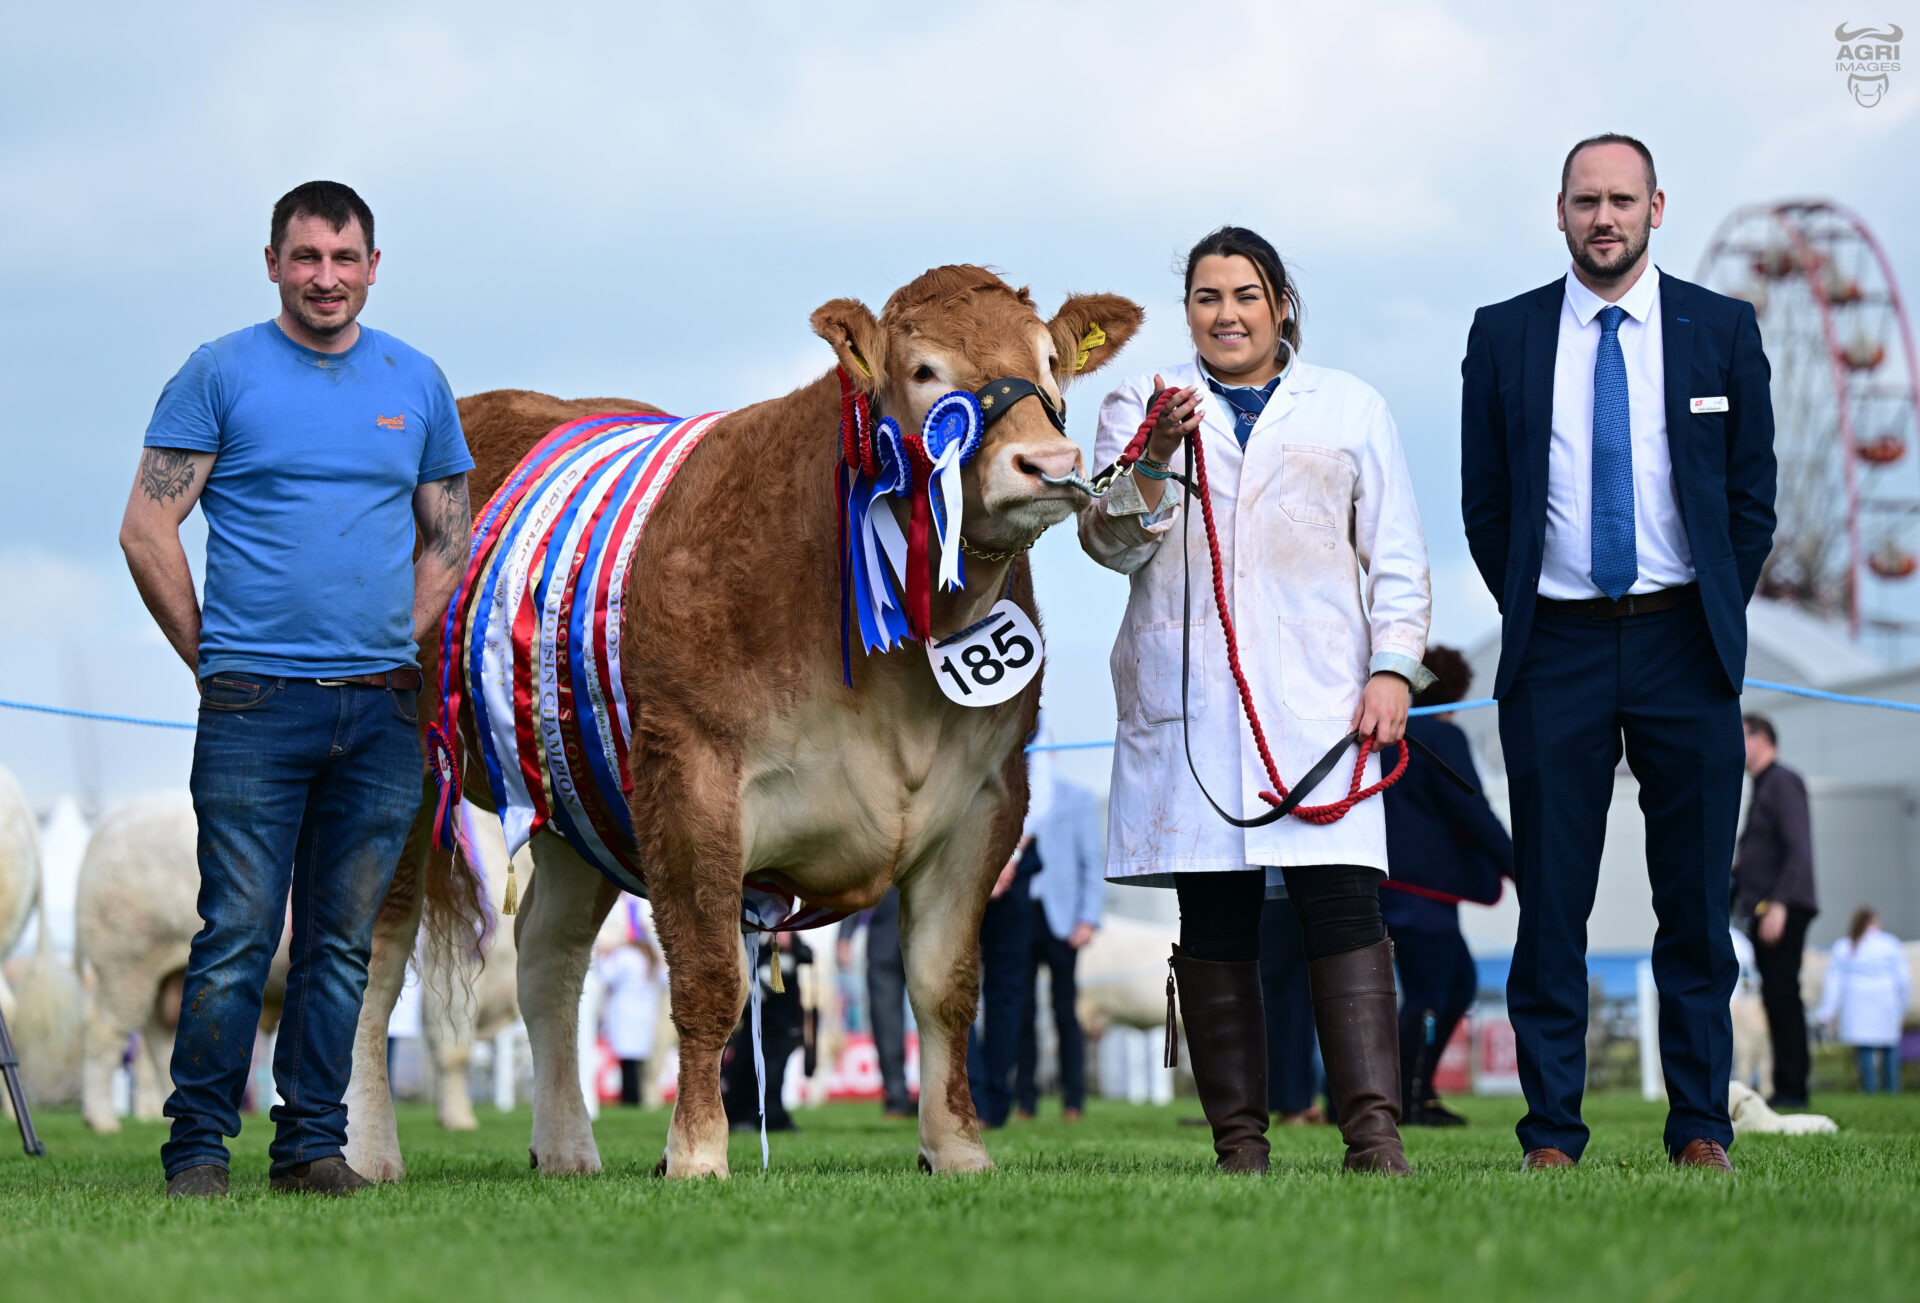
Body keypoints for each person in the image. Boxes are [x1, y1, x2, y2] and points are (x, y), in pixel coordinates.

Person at [120, 180, 474, 1199]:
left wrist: (388, 642)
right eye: (307, 256)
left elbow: (447, 540)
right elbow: (148, 529)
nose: (327, 276)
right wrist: (212, 655)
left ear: (373, 266)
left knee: (340, 940)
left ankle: (313, 1145)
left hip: (379, 711)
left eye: (345, 257)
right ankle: (196, 1149)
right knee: (235, 933)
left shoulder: (417, 381)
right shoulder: (218, 373)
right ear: (274, 262)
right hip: (251, 707)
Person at [1082, 225, 1435, 1175]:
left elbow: (1395, 552)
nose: (1226, 314)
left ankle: (1375, 1137)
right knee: (1217, 918)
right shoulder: (1141, 402)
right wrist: (1154, 455)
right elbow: (1109, 541)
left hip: (1325, 701)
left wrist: (1394, 668)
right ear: (1187, 310)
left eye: (1246, 295)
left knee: (1344, 907)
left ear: (1281, 304)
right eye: (1207, 297)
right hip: (1194, 702)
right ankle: (1239, 1144)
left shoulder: (1350, 406)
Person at [1460, 134, 1777, 1172]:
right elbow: (1486, 502)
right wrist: (1534, 601)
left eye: (1623, 200)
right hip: (1554, 647)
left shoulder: (1722, 330)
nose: (1605, 217)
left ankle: (1699, 1126)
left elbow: (1750, 499)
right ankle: (1552, 1133)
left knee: (1694, 900)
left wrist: (1711, 606)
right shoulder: (1502, 336)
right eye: (1587, 200)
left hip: (1687, 644)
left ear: (1658, 207)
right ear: (1559, 211)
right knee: (1553, 900)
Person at [1381, 646, 1511, 1126]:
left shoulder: (1383, 732)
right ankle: (1408, 1101)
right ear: (1456, 690)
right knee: (1430, 995)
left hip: (1389, 885)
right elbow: (1471, 809)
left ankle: (1413, 1092)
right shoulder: (1442, 735)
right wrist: (1519, 866)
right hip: (1422, 894)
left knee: (1455, 985)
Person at [1014, 738, 1105, 1122]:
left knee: (1066, 1011)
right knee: (1021, 1010)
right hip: (1019, 915)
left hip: (1063, 919)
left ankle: (1073, 1100)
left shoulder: (1077, 798)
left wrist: (1088, 918)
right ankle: (1027, 1101)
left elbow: (1091, 860)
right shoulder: (1010, 797)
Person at [1731, 714, 1819, 1109]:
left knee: (1784, 997)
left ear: (1760, 738)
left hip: (1780, 909)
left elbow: (1798, 847)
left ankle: (1792, 1090)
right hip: (1764, 909)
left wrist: (1780, 904)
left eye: (1740, 736)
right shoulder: (1763, 786)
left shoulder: (1783, 781)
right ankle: (1786, 1085)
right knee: (1776, 997)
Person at [968, 833, 1039, 1127]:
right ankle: (977, 1099)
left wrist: (1002, 862)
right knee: (958, 992)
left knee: (1004, 995)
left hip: (1005, 870)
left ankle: (990, 1101)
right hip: (962, 867)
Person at [723, 933, 812, 1132]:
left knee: (768, 1073)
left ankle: (766, 1117)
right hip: (760, 1023)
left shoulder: (782, 950)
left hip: (777, 1023)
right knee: (747, 1068)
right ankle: (749, 1116)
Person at [1816, 908, 1909, 1094]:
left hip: (1857, 1006)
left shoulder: (1844, 946)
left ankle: (1869, 1089)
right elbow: (1904, 979)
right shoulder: (1889, 944)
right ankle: (1892, 1088)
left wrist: (1826, 1011)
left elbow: (1834, 983)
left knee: (1865, 1047)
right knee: (1889, 1046)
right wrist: (1903, 1005)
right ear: (1875, 921)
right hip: (1887, 1002)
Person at [837, 889, 912, 1118]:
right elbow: (859, 886)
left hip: (929, 941)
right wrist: (844, 936)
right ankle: (896, 1097)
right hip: (883, 944)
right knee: (886, 1025)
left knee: (939, 1021)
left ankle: (939, 1097)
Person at [596, 914, 665, 1107]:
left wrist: (601, 956)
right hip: (644, 1015)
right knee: (637, 1063)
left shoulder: (626, 956)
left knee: (627, 1063)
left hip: (625, 1014)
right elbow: (665, 981)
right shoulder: (650, 957)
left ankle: (630, 1099)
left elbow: (606, 975)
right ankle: (636, 1097)